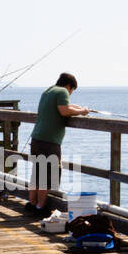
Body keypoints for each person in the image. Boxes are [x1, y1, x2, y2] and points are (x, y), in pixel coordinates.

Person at [27, 73, 90, 213]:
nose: (70, 94)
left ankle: (32, 203)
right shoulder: (62, 91)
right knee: (47, 175)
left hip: (37, 138)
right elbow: (64, 110)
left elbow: (64, 105)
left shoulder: (48, 91)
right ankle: (40, 207)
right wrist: (82, 111)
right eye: (71, 91)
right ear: (69, 86)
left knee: (36, 174)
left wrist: (77, 107)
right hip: (49, 141)